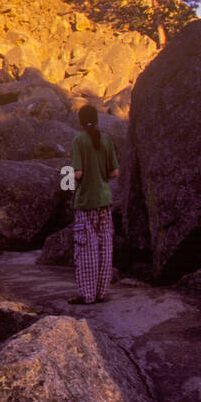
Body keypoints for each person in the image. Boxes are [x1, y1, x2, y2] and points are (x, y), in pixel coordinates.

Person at [69, 103, 120, 304]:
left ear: (80, 122)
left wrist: (74, 180)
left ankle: (87, 295)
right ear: (97, 120)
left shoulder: (78, 141)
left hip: (86, 201)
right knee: (104, 246)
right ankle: (101, 292)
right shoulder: (106, 140)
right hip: (104, 200)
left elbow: (78, 173)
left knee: (86, 248)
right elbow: (115, 172)